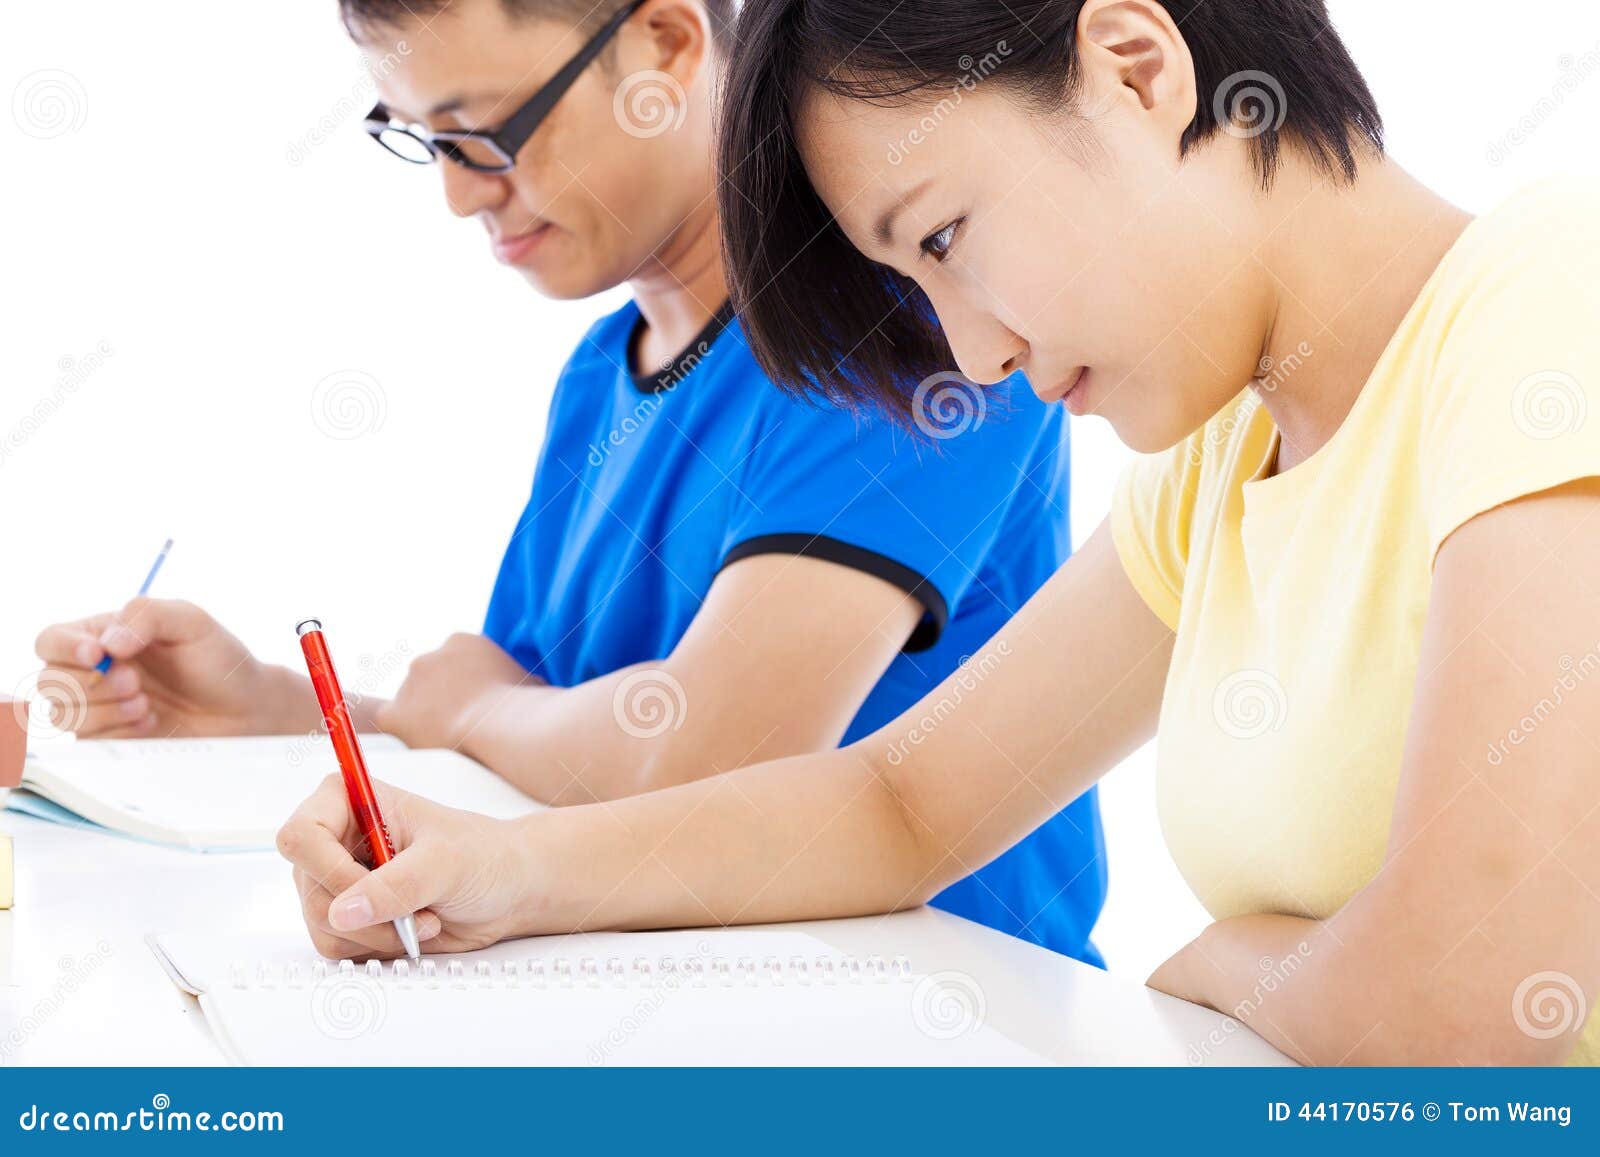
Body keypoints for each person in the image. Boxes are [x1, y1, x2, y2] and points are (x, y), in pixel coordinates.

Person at [276, 0, 1600, 1064]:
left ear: (1135, 69)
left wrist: (1216, 966)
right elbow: (900, 803)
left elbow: (1462, 1009)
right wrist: (500, 871)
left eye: (947, 236)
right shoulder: (1219, 459)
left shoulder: (1554, 288)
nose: (975, 354)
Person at [28, 0, 1109, 965]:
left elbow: (701, 755)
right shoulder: (602, 377)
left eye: (486, 132)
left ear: (664, 45)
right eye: (427, 142)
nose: (459, 194)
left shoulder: (905, 332)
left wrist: (473, 708)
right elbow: (540, 739)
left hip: (939, 1018)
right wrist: (272, 708)